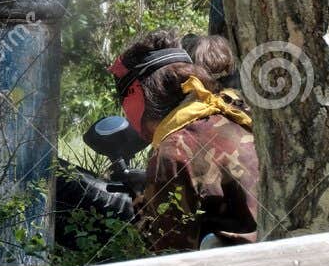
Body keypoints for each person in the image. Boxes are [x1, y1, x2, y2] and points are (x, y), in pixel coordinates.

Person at [110, 32, 260, 252]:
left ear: (136, 94)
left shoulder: (174, 149)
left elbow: (169, 251)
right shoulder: (232, 110)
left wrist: (144, 210)